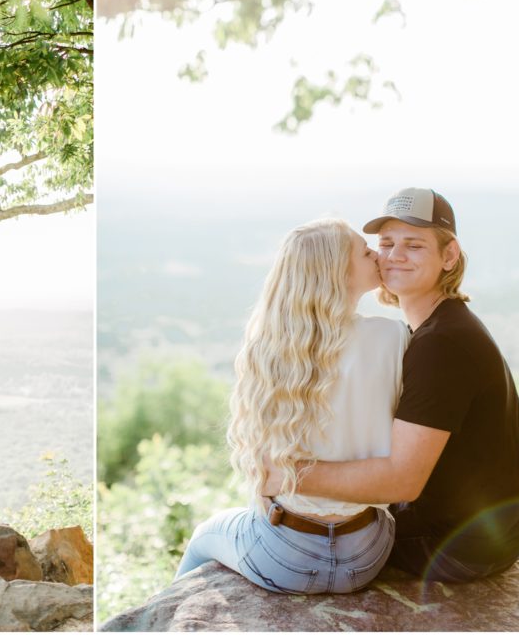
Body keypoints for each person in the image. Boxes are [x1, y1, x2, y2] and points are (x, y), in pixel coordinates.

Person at [265, 188, 519, 583]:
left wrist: (287, 474)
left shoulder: (442, 344)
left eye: (414, 245)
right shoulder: (438, 326)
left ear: (449, 255)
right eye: (386, 244)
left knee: (295, 541)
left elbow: (402, 479)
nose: (393, 256)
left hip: (454, 546)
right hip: (481, 533)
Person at [175, 218, 409, 594]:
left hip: (286, 557)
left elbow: (266, 472)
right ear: (338, 271)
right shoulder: (393, 336)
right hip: (366, 553)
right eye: (366, 252)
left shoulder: (270, 348)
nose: (378, 256)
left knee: (205, 534)